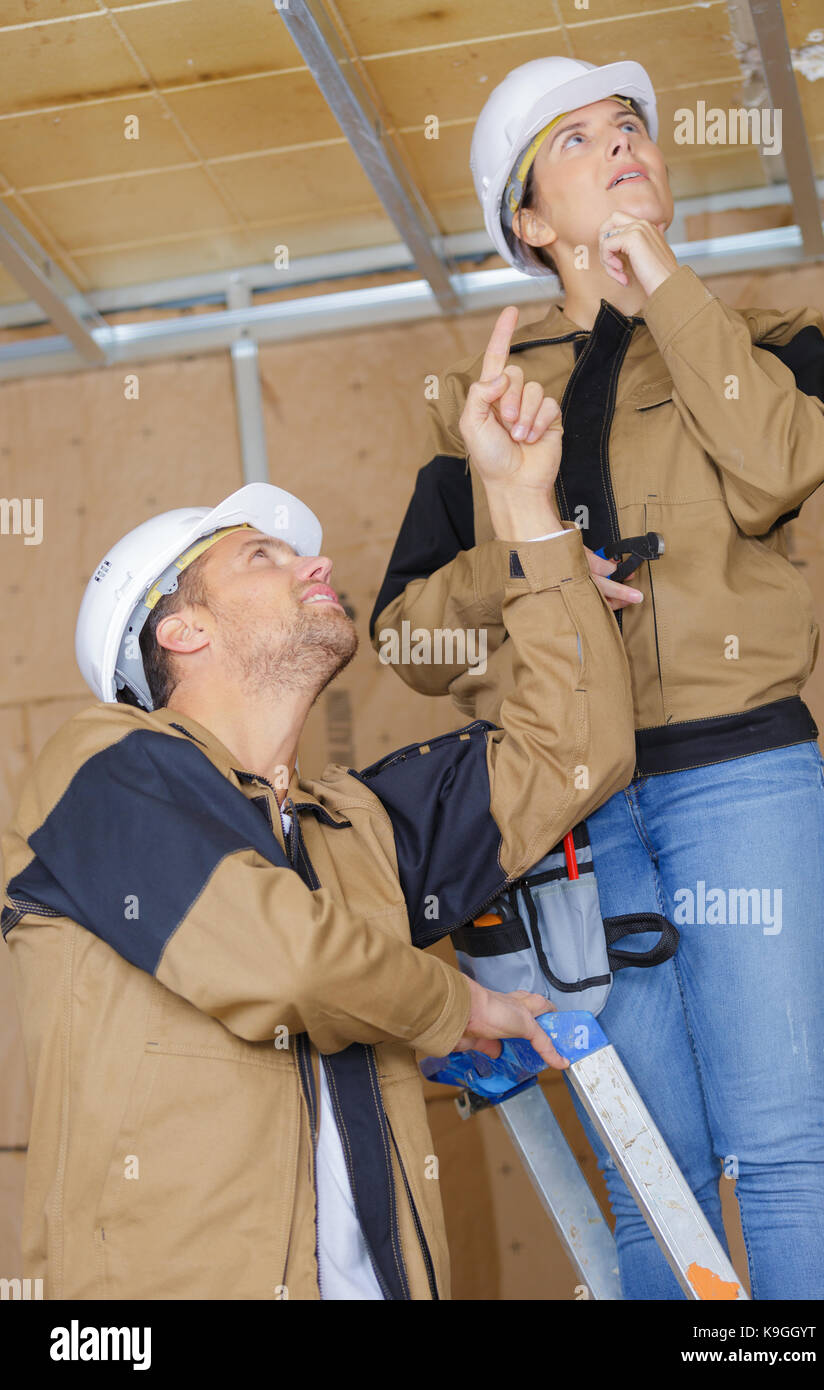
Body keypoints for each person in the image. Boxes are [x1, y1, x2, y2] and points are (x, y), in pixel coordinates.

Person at [1, 326, 636, 1301]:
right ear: (182, 628)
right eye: (263, 555)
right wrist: (462, 1007)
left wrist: (521, 503)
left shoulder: (353, 829)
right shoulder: (97, 771)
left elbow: (575, 751)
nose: (314, 563)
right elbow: (286, 957)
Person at [370, 55, 824, 1300]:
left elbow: (773, 470)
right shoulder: (478, 405)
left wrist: (671, 299)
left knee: (785, 1139)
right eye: (578, 138)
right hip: (564, 822)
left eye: (631, 125)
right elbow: (407, 639)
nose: (624, 143)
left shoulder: (760, 336)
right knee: (653, 1175)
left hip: (737, 775)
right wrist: (537, 562)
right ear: (529, 222)